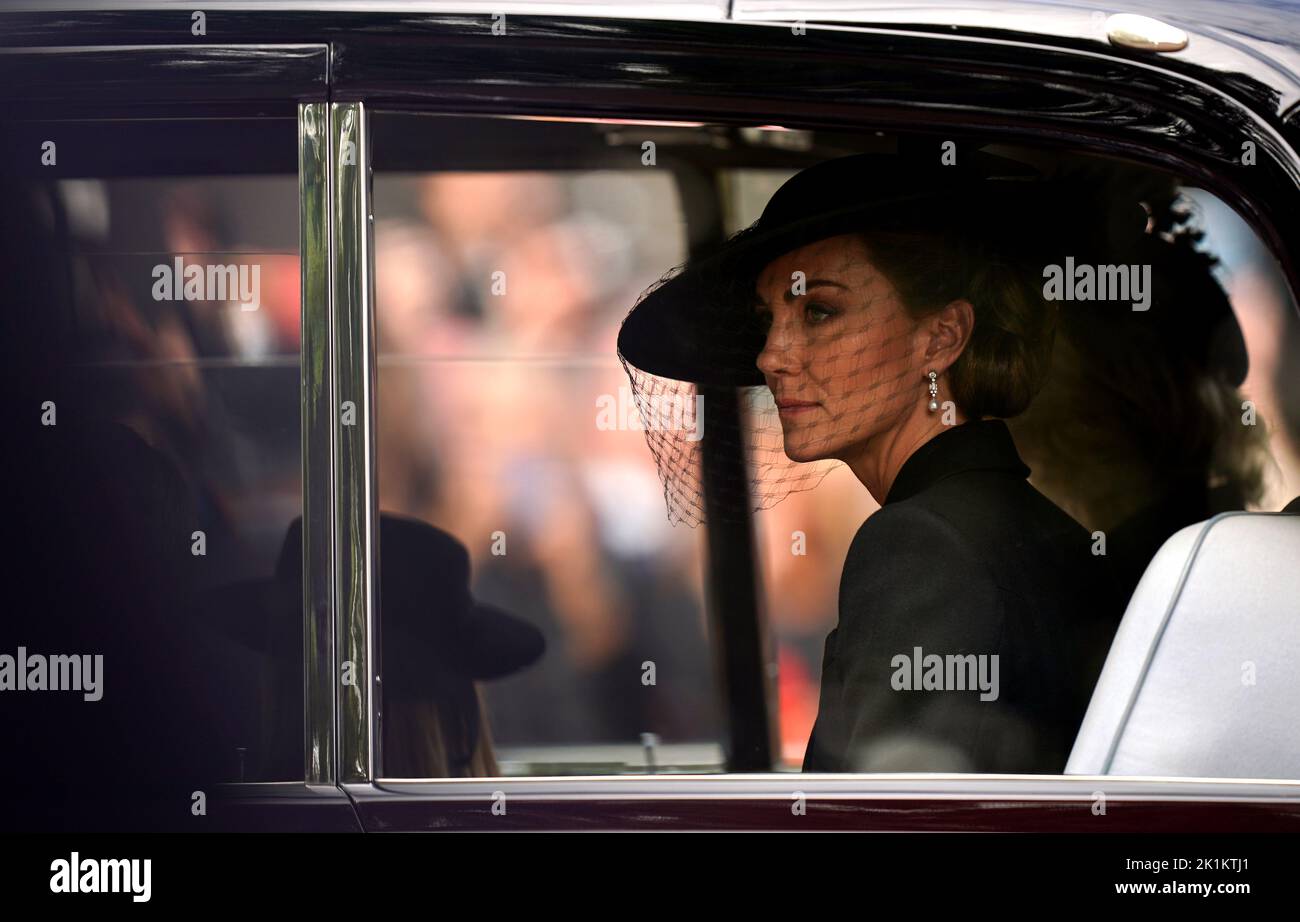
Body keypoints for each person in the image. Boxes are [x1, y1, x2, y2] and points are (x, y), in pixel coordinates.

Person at [617, 150, 1125, 773]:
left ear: (940, 338)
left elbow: (890, 815)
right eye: (768, 320)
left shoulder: (922, 543)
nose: (771, 356)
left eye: (819, 312)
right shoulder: (1023, 525)